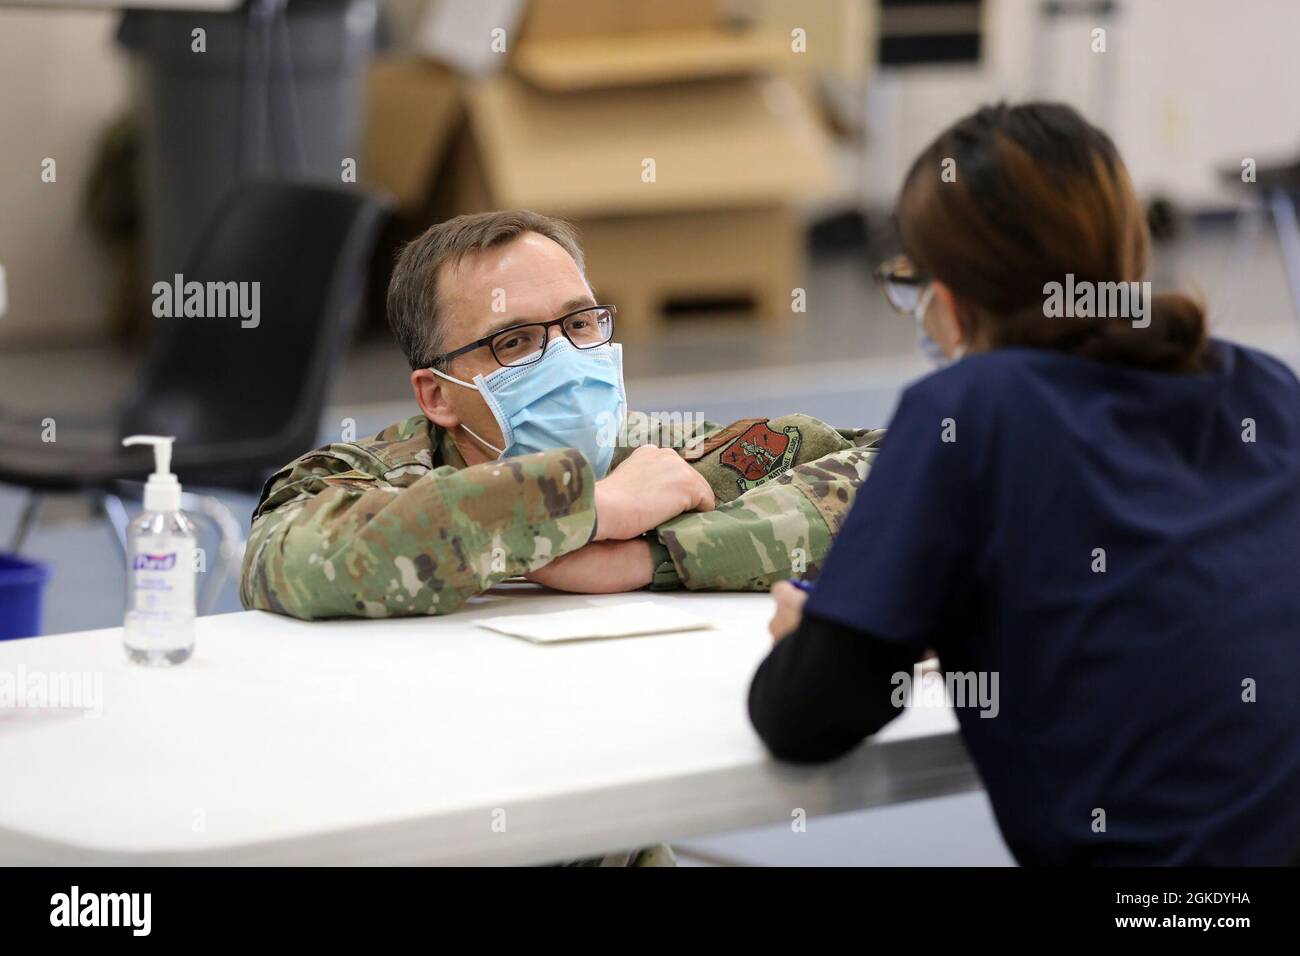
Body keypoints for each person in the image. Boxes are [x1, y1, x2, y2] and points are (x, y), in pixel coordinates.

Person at [748, 102, 1300, 866]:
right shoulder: (1268, 390)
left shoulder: (970, 411)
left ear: (947, 299)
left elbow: (804, 715)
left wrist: (806, 641)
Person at [240, 210, 884, 619]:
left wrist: (652, 555)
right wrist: (589, 510)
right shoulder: (364, 479)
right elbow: (288, 559)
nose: (568, 360)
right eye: (514, 340)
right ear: (436, 395)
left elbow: (909, 472)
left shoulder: (659, 453)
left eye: (581, 324)